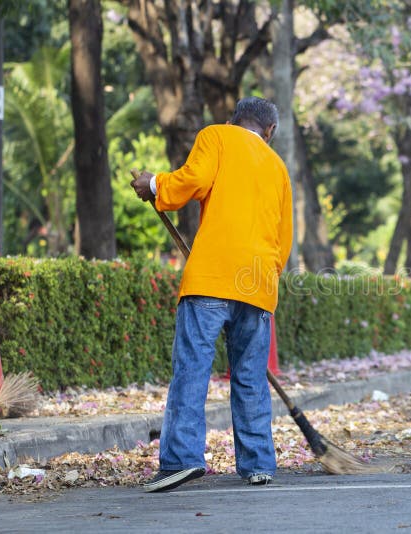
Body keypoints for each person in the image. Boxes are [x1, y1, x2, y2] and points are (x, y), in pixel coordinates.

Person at [130, 96, 293, 492]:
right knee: (251, 376)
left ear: (233, 119)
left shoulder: (216, 136)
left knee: (193, 369)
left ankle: (181, 460)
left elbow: (192, 180)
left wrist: (153, 184)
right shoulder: (278, 167)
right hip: (257, 284)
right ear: (268, 132)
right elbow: (283, 239)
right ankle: (258, 464)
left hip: (211, 277)